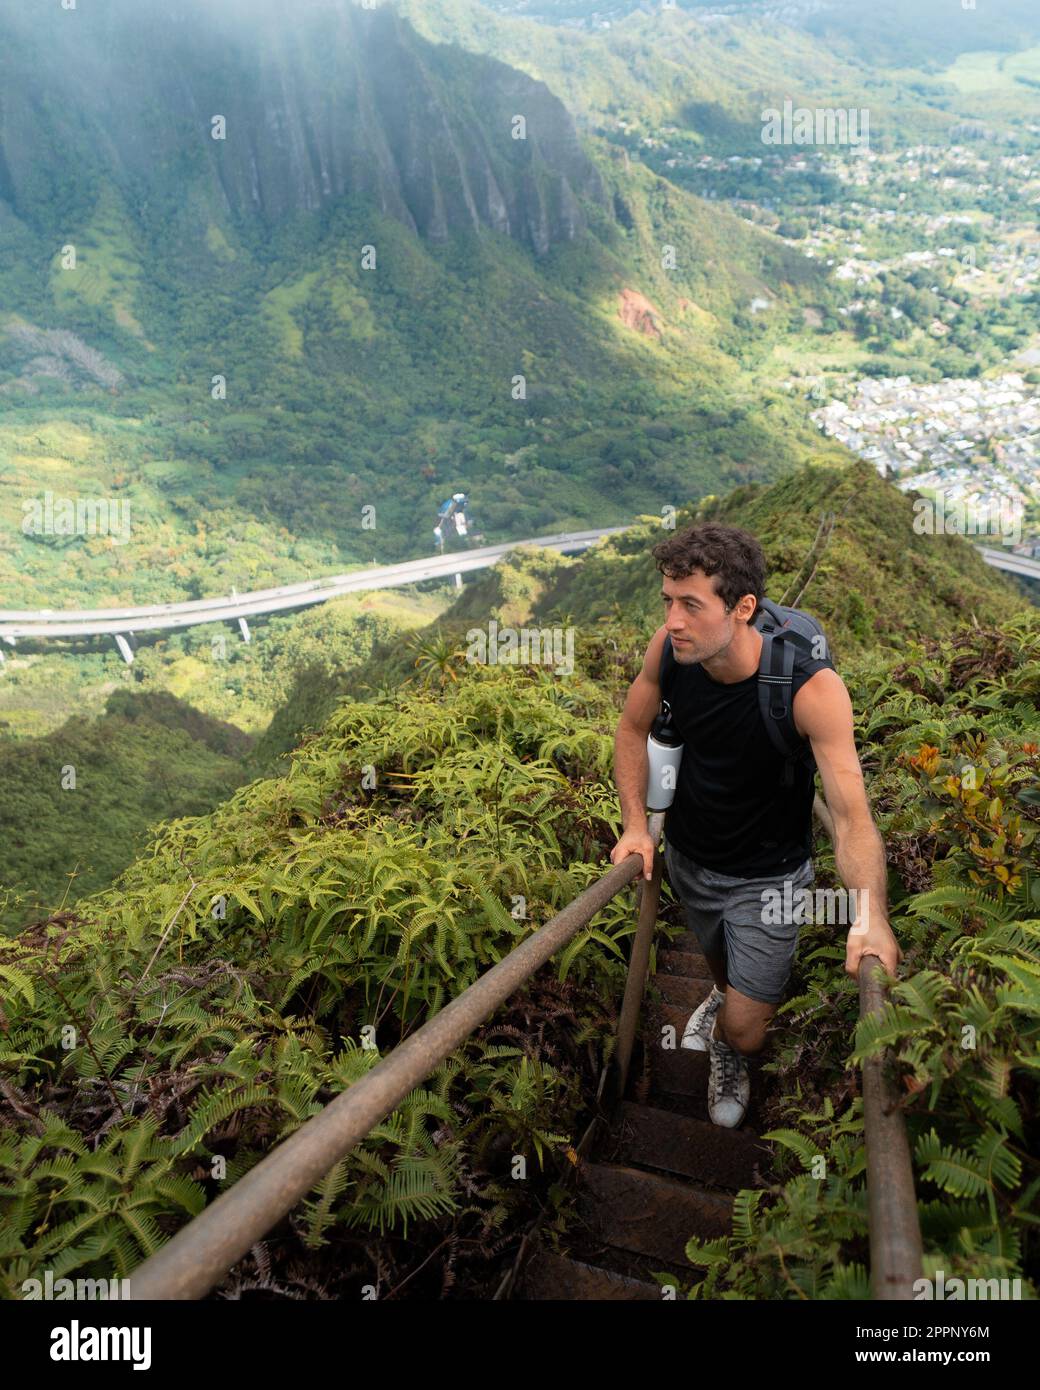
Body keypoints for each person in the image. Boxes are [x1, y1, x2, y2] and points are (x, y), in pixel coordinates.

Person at [610, 522, 901, 1127]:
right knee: (719, 969)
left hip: (772, 881)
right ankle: (722, 995)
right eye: (668, 600)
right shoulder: (668, 653)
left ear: (743, 608)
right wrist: (637, 826)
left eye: (691, 604)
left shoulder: (809, 690)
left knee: (746, 1031)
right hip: (690, 860)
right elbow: (631, 729)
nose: (673, 620)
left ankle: (728, 1045)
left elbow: (850, 819)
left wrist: (870, 917)